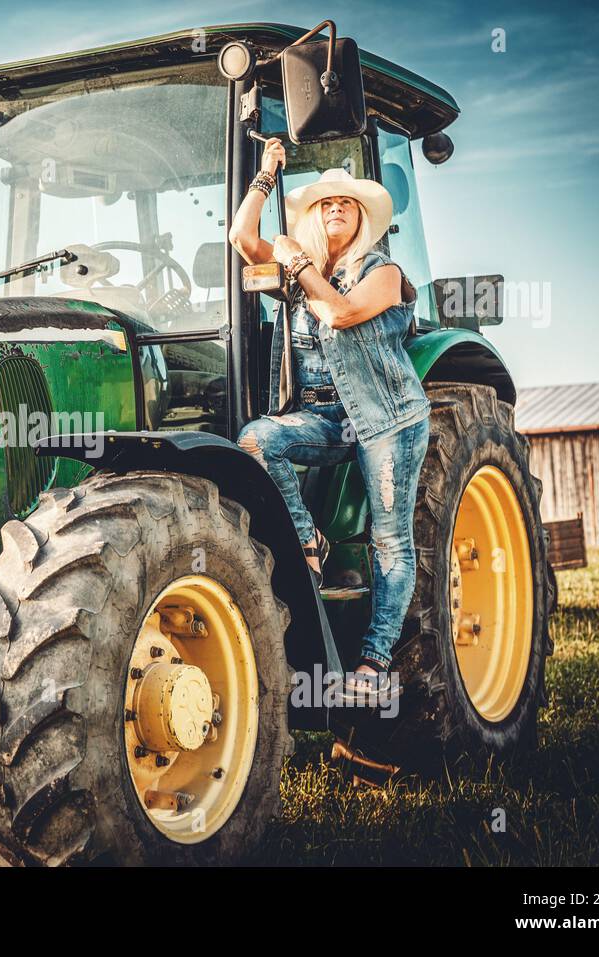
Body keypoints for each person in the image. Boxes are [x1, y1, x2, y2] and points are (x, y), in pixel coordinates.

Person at [228, 138, 430, 695]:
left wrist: (295, 261)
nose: (336, 208)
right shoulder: (301, 269)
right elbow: (242, 238)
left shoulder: (384, 274)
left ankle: (374, 660)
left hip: (388, 420)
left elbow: (339, 313)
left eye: (347, 204)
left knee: (389, 540)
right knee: (255, 440)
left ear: (362, 219)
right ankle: (306, 539)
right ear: (314, 217)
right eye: (325, 204)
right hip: (326, 418)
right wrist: (266, 173)